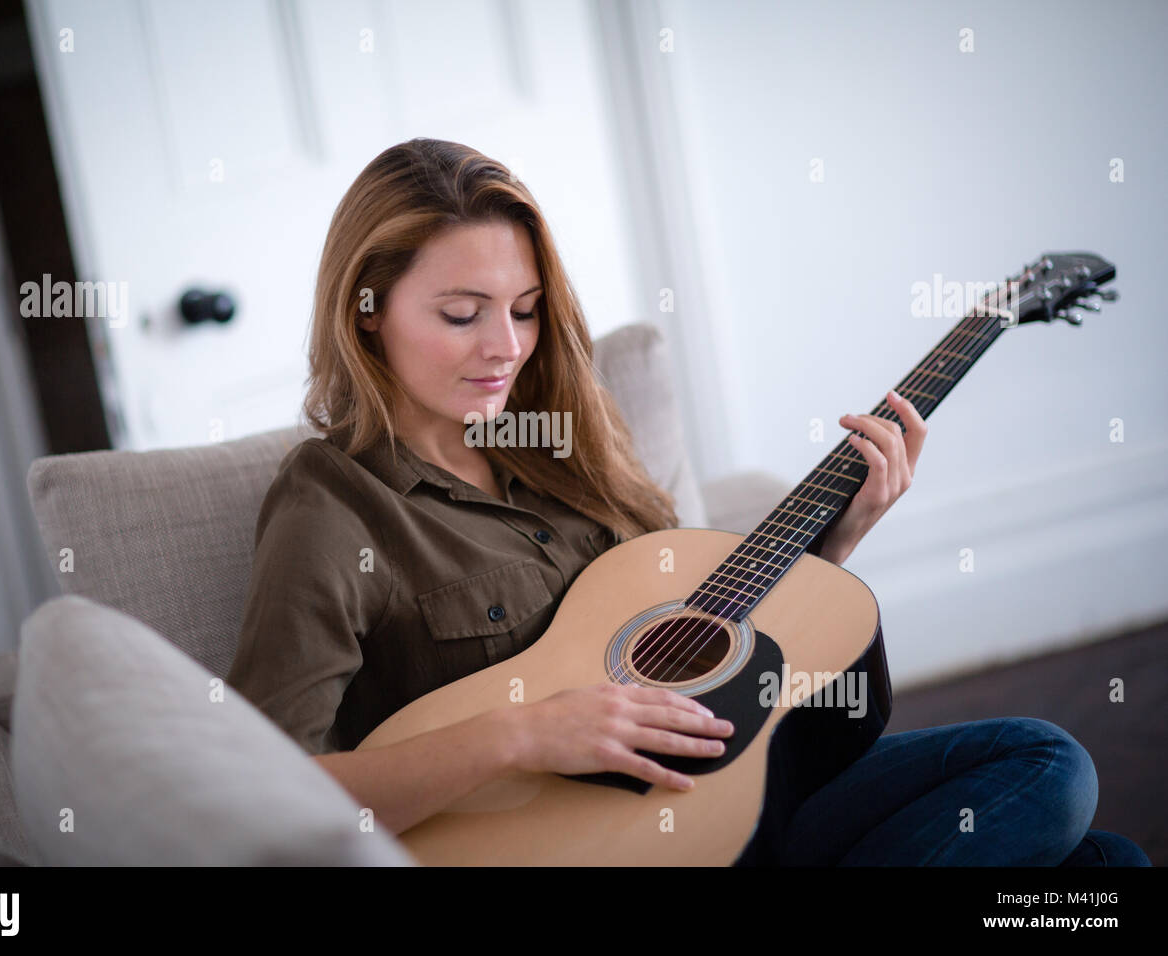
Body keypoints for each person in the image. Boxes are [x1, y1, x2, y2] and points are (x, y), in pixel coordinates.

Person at [226, 137, 1150, 866]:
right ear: (367, 309)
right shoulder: (330, 509)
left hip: (734, 798)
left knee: (1069, 800)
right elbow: (264, 798)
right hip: (571, 848)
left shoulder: (563, 438)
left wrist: (839, 539)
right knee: (1061, 802)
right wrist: (521, 732)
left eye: (526, 307)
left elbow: (690, 636)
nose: (504, 347)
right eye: (462, 314)